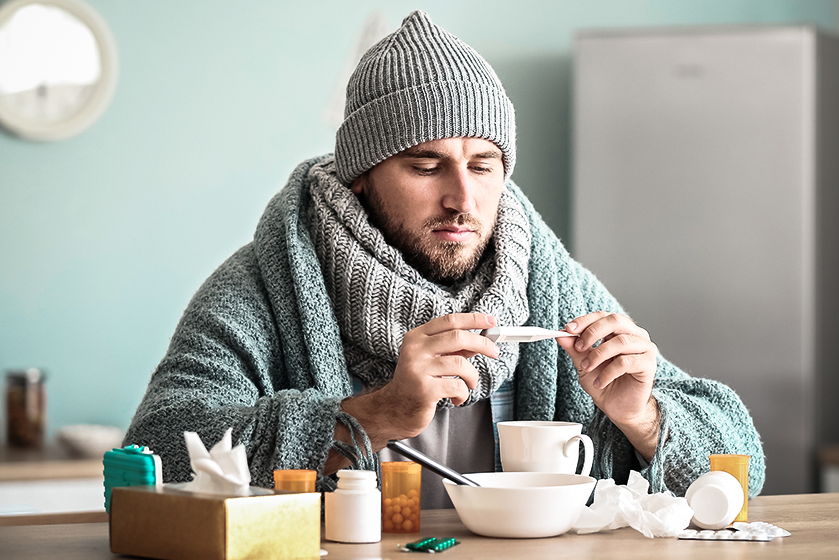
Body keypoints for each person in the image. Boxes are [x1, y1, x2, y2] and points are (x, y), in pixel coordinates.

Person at [124, 10, 764, 508]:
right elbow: (154, 453)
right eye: (425, 166)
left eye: (484, 166)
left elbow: (744, 463)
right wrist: (369, 418)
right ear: (360, 179)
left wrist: (643, 418)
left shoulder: (550, 283)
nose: (463, 198)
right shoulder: (263, 285)